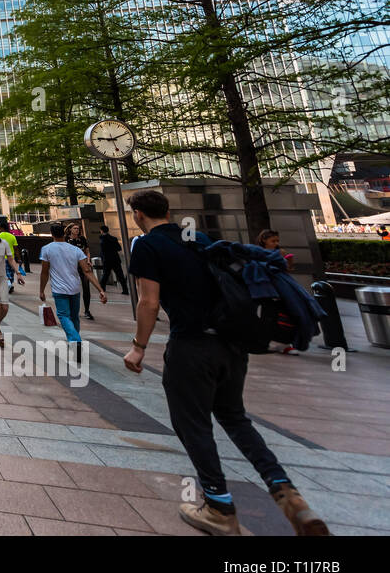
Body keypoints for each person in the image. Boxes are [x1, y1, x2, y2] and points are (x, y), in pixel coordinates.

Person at [121, 190, 328, 536]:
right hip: (230, 345)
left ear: (138, 214)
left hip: (191, 345)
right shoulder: (198, 238)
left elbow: (148, 302)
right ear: (168, 210)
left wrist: (138, 347)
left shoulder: (146, 245)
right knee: (234, 418)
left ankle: (218, 506)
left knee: (194, 425)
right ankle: (286, 491)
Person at [39, 223, 107, 351]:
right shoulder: (75, 250)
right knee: (74, 316)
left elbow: (44, 272)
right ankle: (75, 339)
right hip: (75, 288)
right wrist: (101, 290)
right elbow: (87, 271)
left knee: (63, 315)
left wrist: (41, 290)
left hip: (59, 289)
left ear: (51, 234)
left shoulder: (47, 249)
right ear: (64, 234)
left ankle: (75, 339)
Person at [64, 223, 94, 320]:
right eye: (75, 228)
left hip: (83, 265)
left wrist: (88, 260)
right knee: (71, 287)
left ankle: (87, 310)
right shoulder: (66, 240)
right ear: (70, 230)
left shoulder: (82, 239)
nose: (77, 230)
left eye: (78, 228)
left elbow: (87, 250)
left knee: (86, 287)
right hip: (71, 266)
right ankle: (70, 309)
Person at [98, 225, 129, 295]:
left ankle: (102, 288)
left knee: (105, 275)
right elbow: (119, 248)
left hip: (107, 260)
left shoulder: (102, 240)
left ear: (101, 231)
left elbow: (103, 252)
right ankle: (125, 290)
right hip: (115, 259)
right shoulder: (114, 238)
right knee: (120, 275)